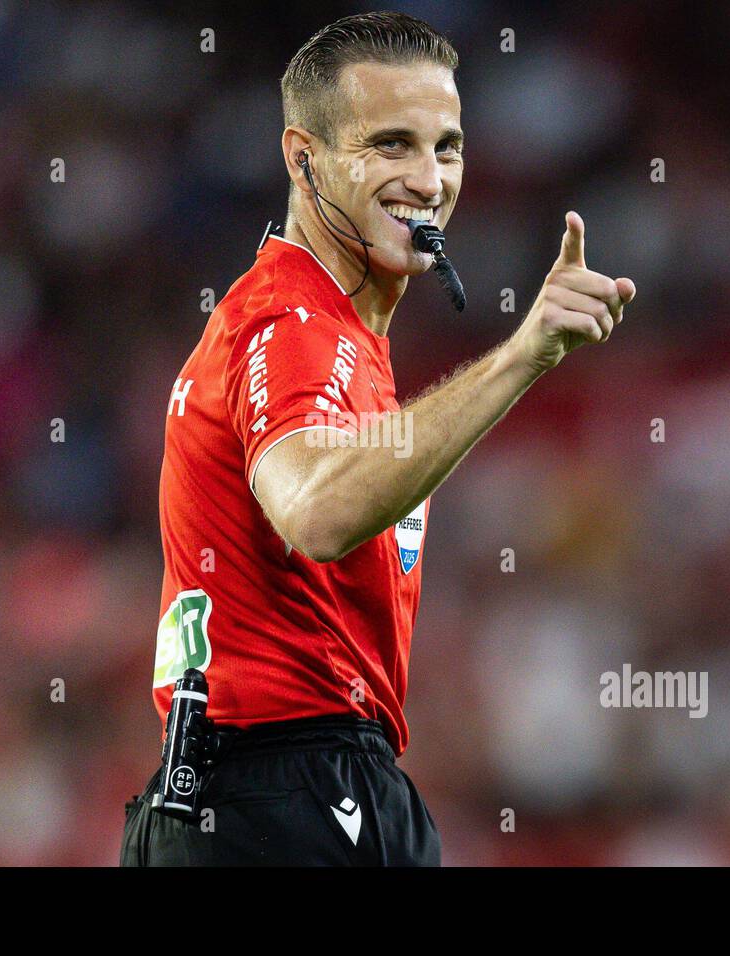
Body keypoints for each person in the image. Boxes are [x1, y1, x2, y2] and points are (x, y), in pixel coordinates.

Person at [121, 10, 634, 866]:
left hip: (295, 787)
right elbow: (315, 511)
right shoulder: (292, 326)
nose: (429, 178)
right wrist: (521, 358)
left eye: (448, 146)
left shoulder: (339, 338)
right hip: (281, 797)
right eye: (391, 144)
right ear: (303, 157)